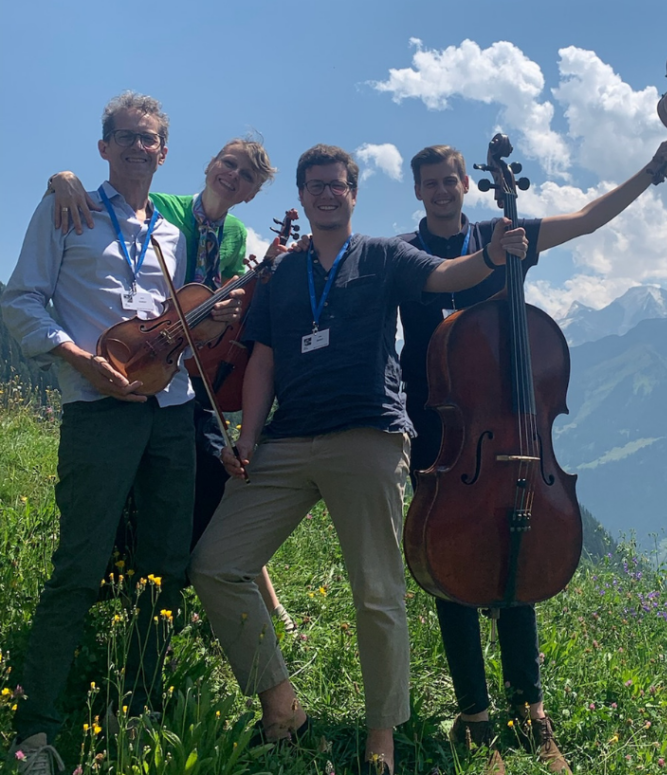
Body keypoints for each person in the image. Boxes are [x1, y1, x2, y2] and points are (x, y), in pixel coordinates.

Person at [188, 143, 528, 775]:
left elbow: (444, 276)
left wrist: (489, 256)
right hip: (287, 440)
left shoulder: (381, 254)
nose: (326, 194)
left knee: (377, 591)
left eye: (337, 185)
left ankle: (382, 735)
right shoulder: (282, 273)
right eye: (314, 185)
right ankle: (281, 702)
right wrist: (248, 437)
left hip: (369, 435)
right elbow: (261, 360)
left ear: (352, 193)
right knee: (216, 564)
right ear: (301, 194)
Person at [398, 135, 667, 775]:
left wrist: (648, 170)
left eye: (450, 180)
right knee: (452, 571)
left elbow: (585, 220)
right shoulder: (406, 254)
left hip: (517, 439)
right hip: (441, 431)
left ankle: (530, 709)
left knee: (518, 560)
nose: (443, 191)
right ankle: (474, 716)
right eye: (431, 184)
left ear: (466, 184)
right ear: (419, 192)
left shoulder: (506, 232)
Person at [1, 93, 235, 775]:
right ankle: (36, 730)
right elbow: (20, 298)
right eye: (126, 137)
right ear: (104, 147)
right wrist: (78, 360)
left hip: (170, 413)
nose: (139, 147)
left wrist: (210, 326)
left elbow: (173, 335)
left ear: (164, 152)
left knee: (164, 568)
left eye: (150, 139)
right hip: (97, 410)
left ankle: (138, 711)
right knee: (79, 565)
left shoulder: (170, 234)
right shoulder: (66, 209)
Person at [46, 139, 297, 630]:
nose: (233, 176)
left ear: (250, 194)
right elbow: (117, 200)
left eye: (246, 176)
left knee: (208, 484)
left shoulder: (235, 236)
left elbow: (215, 312)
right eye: (229, 164)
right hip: (137, 362)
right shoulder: (164, 209)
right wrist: (62, 179)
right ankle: (112, 590)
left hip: (189, 374)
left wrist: (229, 308)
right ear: (210, 165)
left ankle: (199, 592)